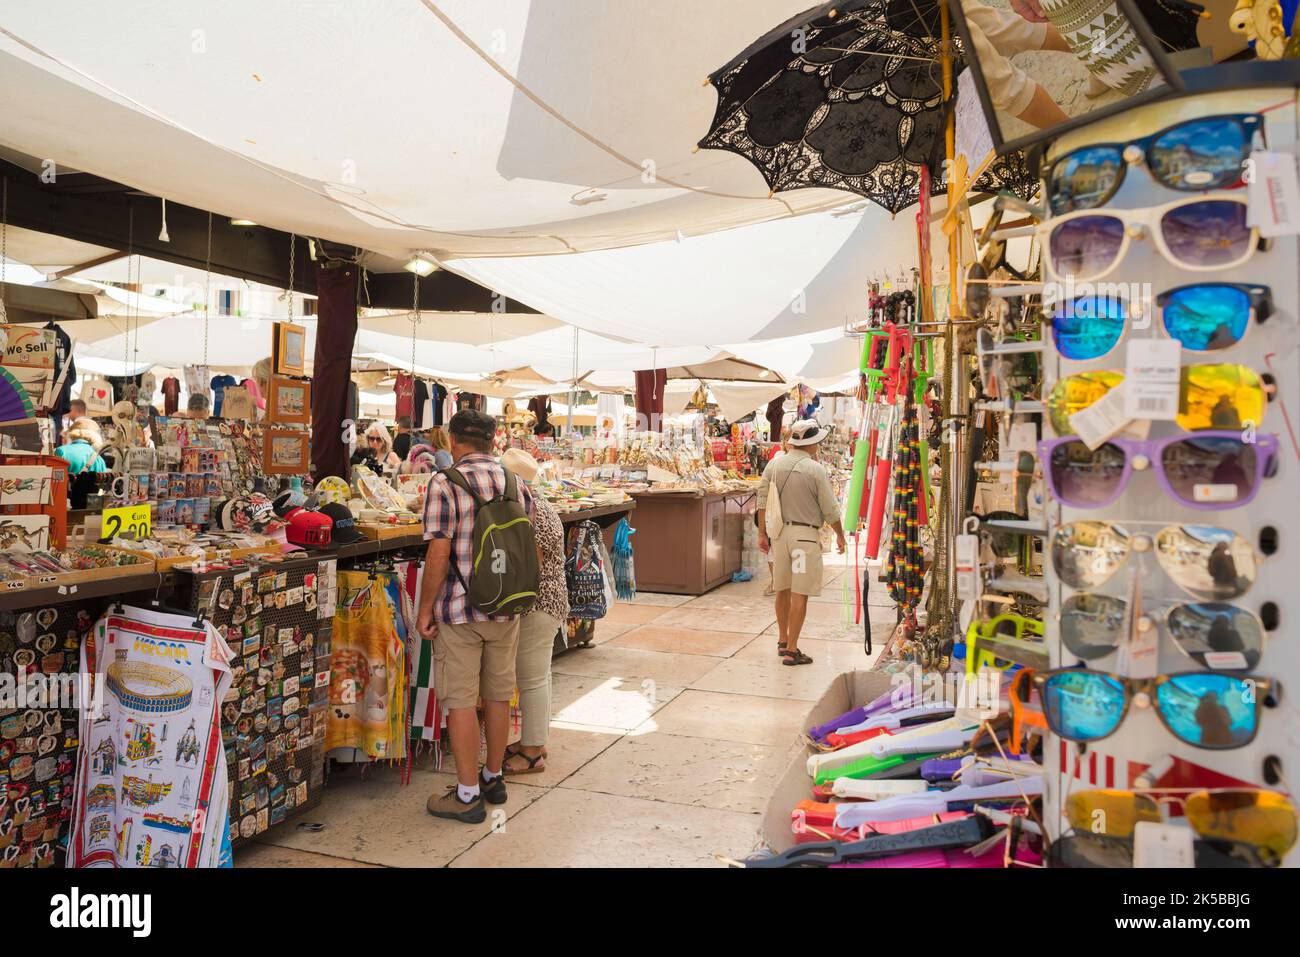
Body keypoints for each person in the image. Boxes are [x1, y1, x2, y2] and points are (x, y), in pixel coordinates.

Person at [417, 409, 533, 823]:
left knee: (461, 701)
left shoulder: (444, 484)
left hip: (460, 608)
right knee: (499, 694)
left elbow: (438, 552)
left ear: (452, 440)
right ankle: (492, 777)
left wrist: (424, 609)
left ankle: (467, 796)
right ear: (493, 440)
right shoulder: (516, 482)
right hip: (507, 606)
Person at [756, 419, 847, 666]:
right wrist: (840, 535)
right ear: (812, 444)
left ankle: (783, 639)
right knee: (799, 593)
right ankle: (792, 650)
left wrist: (762, 534)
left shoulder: (774, 465)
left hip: (779, 538)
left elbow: (762, 500)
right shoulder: (814, 469)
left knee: (781, 589)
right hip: (803, 540)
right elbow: (830, 508)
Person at [498, 449, 567, 775]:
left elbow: (531, 567)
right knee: (539, 676)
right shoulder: (540, 505)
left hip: (538, 605)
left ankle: (531, 753)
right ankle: (535, 740)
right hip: (549, 603)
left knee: (532, 679)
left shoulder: (529, 510)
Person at [763, 427, 793, 597]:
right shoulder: (778, 458)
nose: (791, 443)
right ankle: (775, 582)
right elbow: (765, 486)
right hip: (778, 509)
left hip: (793, 511)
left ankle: (784, 582)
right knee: (774, 545)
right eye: (788, 440)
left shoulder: (807, 460)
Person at [55, 417, 106, 508]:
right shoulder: (99, 459)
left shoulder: (61, 451)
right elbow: (102, 486)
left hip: (66, 506)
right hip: (90, 507)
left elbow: (56, 483)